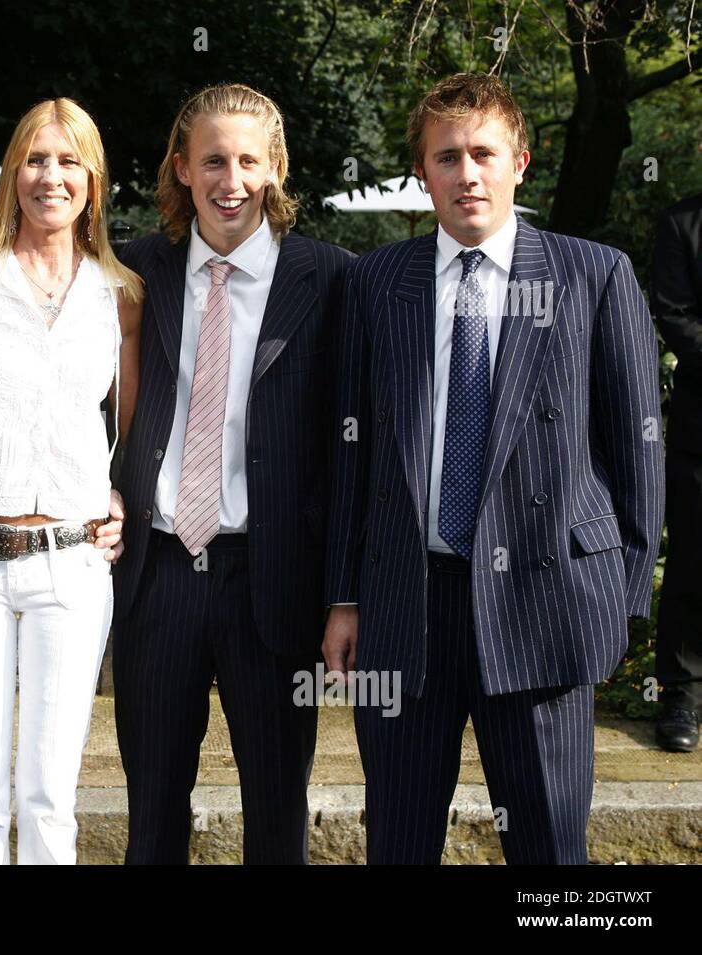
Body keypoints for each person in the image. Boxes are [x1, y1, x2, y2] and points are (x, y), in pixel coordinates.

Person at [325, 73, 664, 864]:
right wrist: (344, 593)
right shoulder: (376, 283)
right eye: (447, 156)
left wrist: (621, 599)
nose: (466, 172)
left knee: (548, 848)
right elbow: (350, 456)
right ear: (423, 173)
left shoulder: (594, 275)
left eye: (483, 152)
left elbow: (637, 446)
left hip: (547, 600)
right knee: (398, 845)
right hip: (412, 600)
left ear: (522, 161)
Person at [110, 83, 353, 864]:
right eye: (213, 160)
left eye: (250, 160)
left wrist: (342, 589)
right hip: (161, 576)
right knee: (151, 805)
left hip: (273, 576)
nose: (232, 179)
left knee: (278, 808)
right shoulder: (133, 271)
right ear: (181, 168)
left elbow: (357, 450)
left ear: (276, 168)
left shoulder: (333, 280)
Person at [0, 97, 138, 865]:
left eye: (69, 160)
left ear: (94, 178)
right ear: (13, 172)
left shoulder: (121, 295)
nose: (51, 176)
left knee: (50, 793)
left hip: (72, 566)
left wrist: (117, 497)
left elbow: (129, 438)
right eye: (36, 159)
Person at [651, 192, 702, 752]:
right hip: (700, 427)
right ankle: (681, 698)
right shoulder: (682, 220)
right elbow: (675, 315)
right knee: (691, 564)